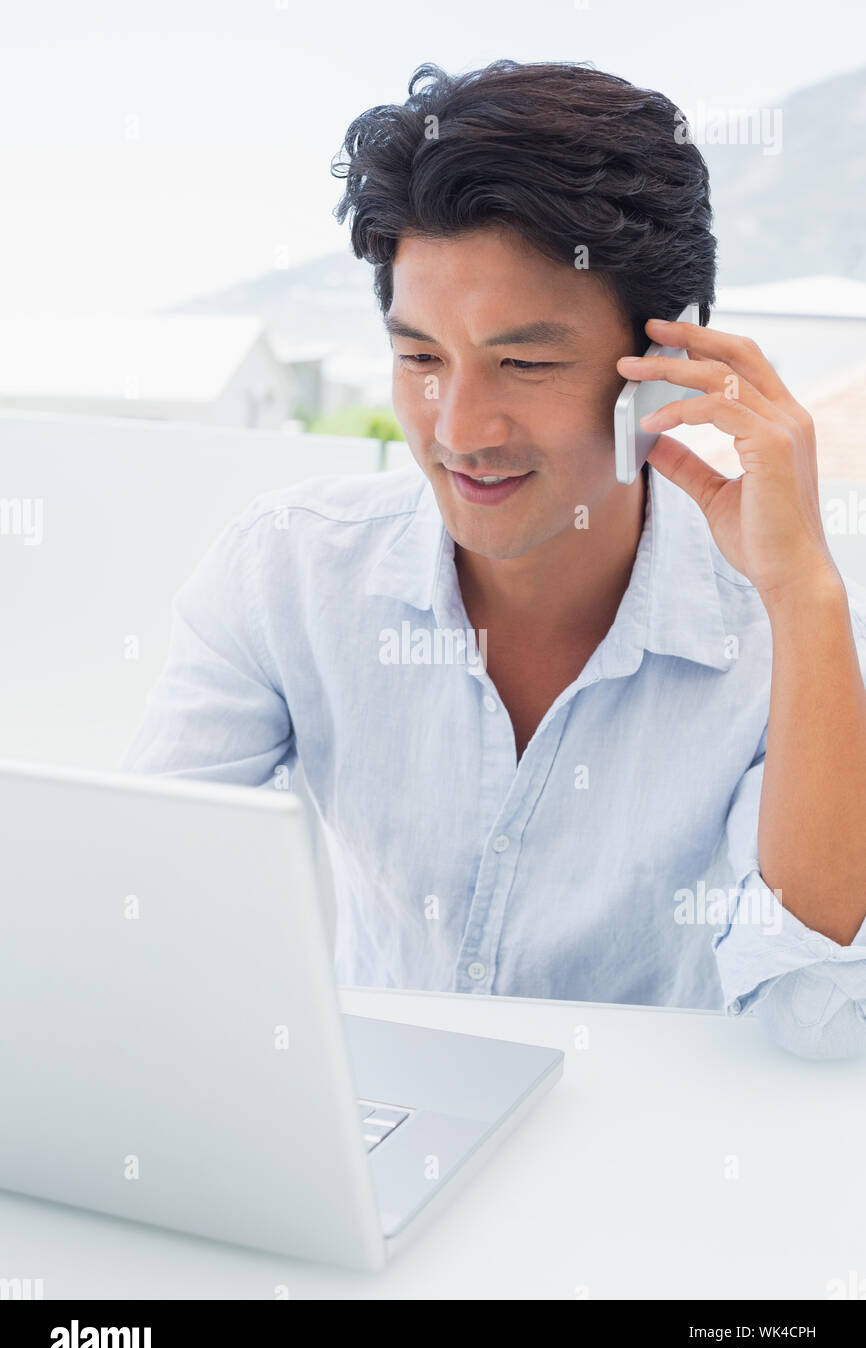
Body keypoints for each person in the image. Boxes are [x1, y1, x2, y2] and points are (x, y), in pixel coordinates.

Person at [120, 60, 866, 1060]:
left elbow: (818, 1020)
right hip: (369, 1142)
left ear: (663, 371)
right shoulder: (289, 571)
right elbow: (134, 906)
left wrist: (805, 595)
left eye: (523, 363)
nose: (458, 428)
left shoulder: (785, 632)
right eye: (420, 359)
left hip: (649, 1165)